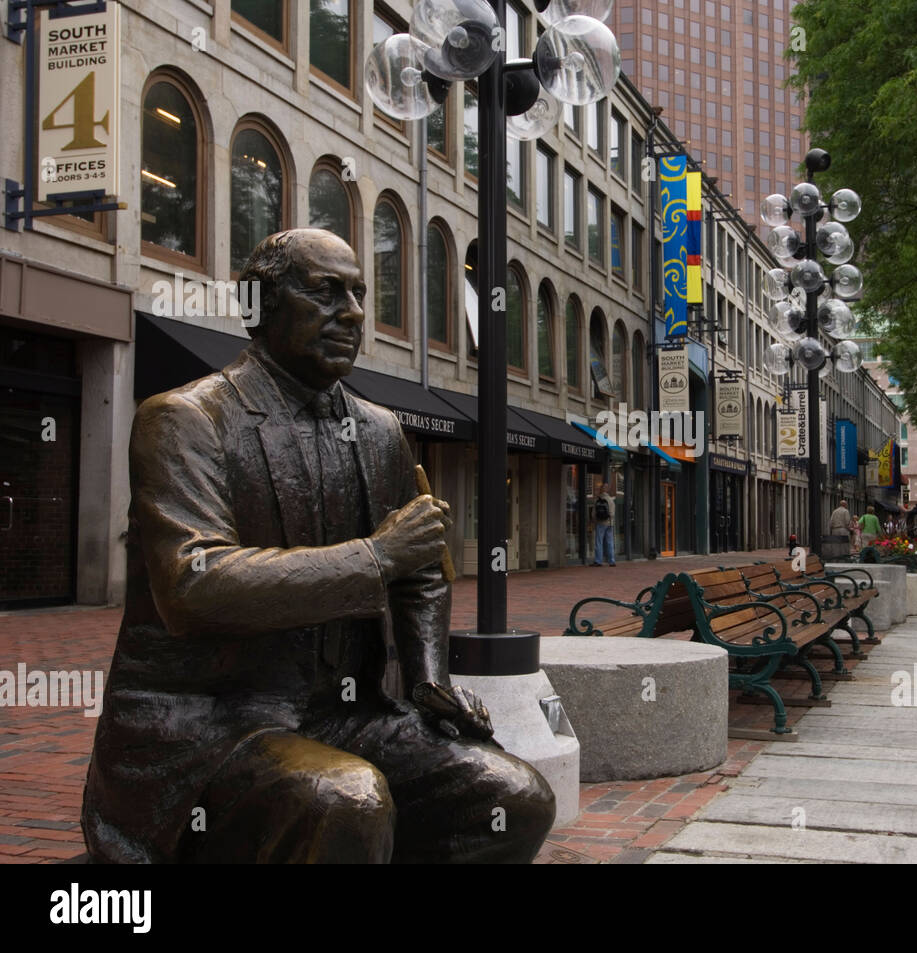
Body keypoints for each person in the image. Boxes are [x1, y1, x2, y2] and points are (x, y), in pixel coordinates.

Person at [82, 229, 554, 864]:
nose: (353, 312)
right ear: (260, 306)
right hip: (212, 721)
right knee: (346, 799)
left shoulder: (380, 429)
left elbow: (421, 572)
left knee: (514, 796)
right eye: (325, 293)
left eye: (358, 294)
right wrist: (377, 556)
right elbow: (195, 587)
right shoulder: (184, 420)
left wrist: (427, 678)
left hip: (343, 713)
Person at [592, 481, 616, 566]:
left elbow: (593, 514)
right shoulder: (611, 500)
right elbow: (612, 514)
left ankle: (598, 561)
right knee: (610, 542)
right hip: (609, 524)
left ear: (601, 489)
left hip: (600, 523)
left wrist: (594, 521)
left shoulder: (598, 500)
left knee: (599, 542)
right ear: (608, 489)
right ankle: (612, 561)